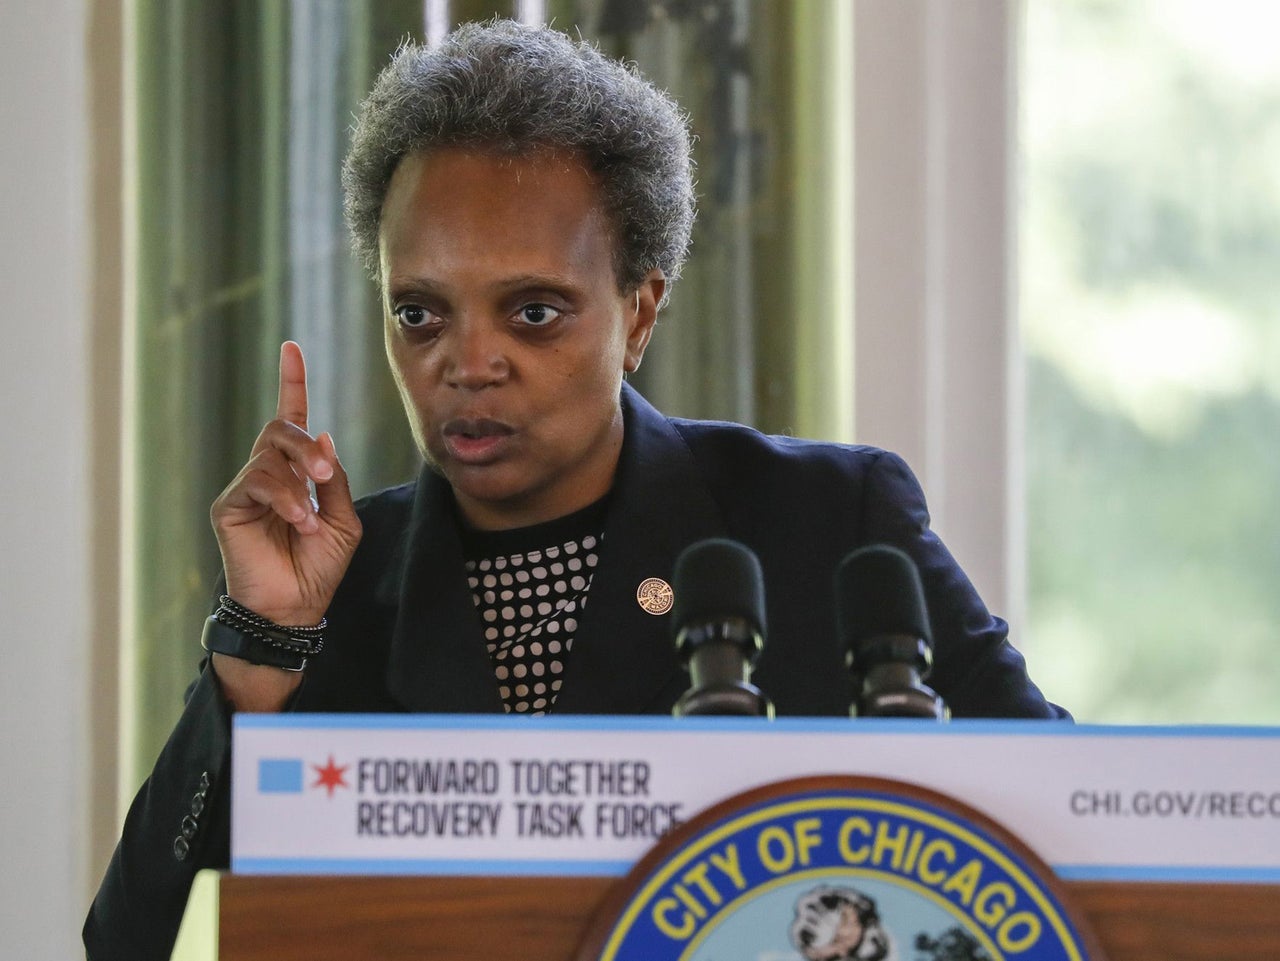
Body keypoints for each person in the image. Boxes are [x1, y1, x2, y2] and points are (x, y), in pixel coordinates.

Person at [83, 19, 1065, 960]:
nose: (468, 363)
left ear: (639, 311)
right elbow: (136, 946)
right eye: (419, 313)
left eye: (533, 311)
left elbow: (1072, 831)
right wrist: (258, 652)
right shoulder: (329, 589)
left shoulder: (824, 523)